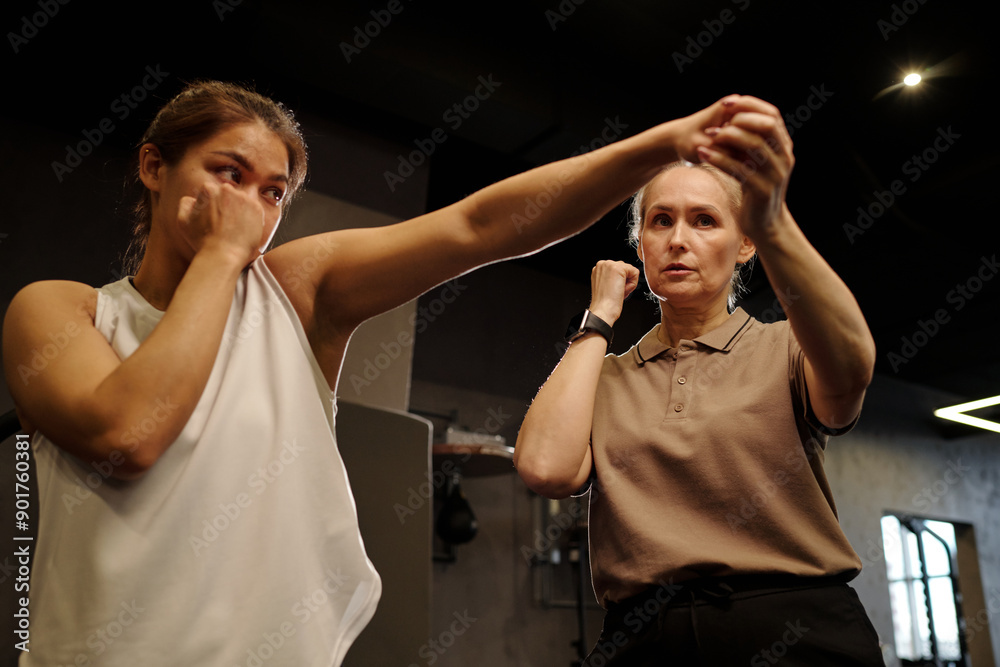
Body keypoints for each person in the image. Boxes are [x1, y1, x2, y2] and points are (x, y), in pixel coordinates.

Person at [1, 81, 762, 666]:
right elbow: (128, 434)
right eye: (228, 173)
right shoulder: (60, 312)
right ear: (153, 166)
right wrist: (225, 257)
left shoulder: (298, 291)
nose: (251, 208)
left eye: (273, 193)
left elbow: (480, 226)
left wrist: (659, 147)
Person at [513, 98, 886, 665]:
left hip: (795, 629)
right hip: (643, 637)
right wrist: (600, 318)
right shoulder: (606, 376)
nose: (678, 239)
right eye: (661, 221)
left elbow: (852, 369)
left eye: (704, 220)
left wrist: (773, 216)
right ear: (641, 245)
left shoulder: (786, 345)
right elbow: (546, 468)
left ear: (745, 245)